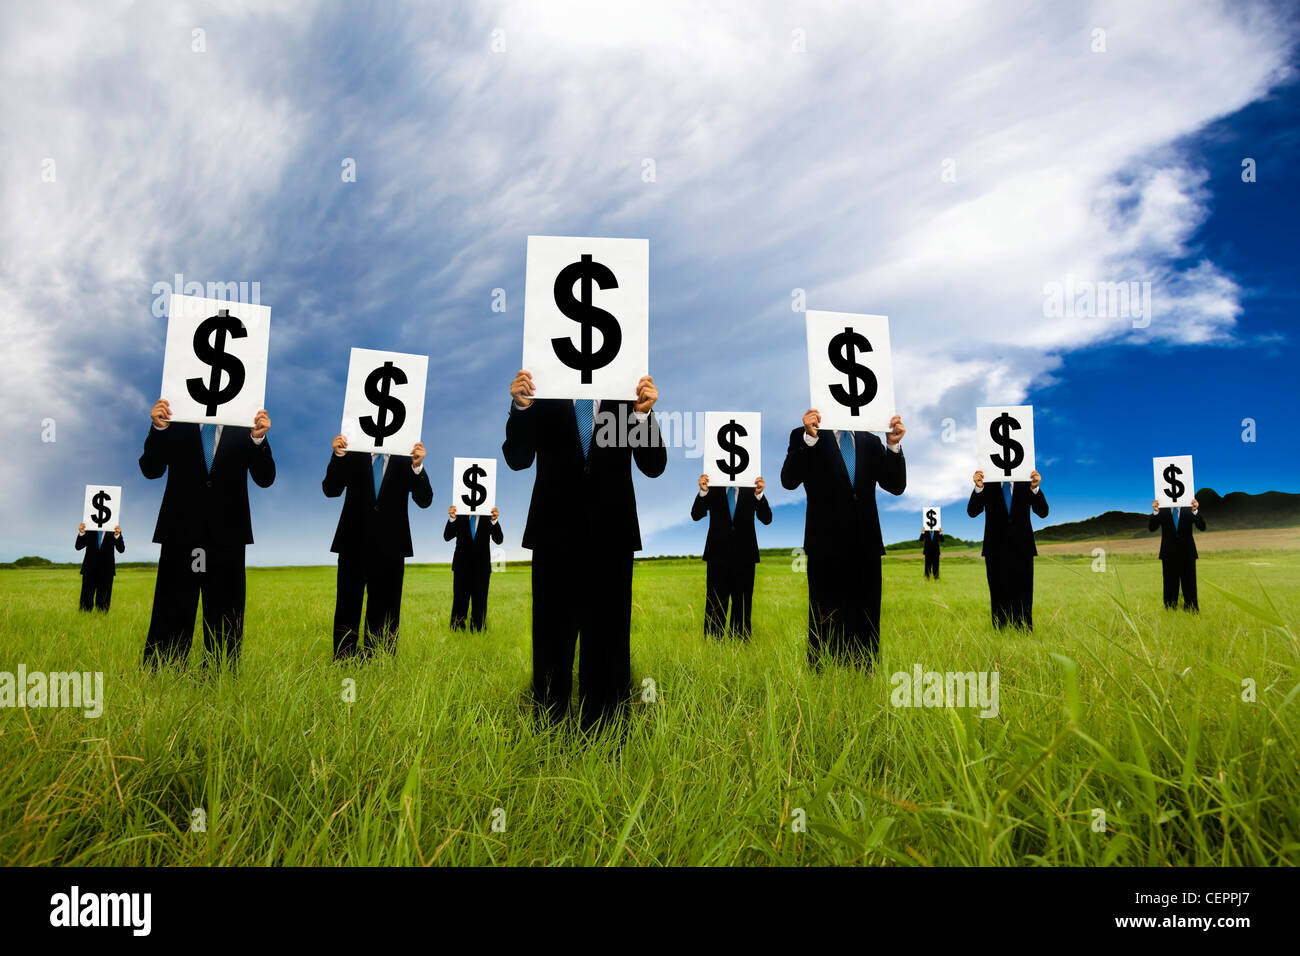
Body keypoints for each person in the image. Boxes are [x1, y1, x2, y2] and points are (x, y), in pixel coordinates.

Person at [503, 369, 666, 732]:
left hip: (612, 537)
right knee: (550, 639)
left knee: (608, 638)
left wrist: (643, 415)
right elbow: (517, 458)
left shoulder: (626, 398)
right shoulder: (543, 395)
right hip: (553, 535)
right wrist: (522, 407)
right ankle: (547, 728)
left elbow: (653, 466)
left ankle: (605, 730)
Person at [139, 398, 275, 668]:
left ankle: (220, 675)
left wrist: (258, 440)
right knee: (172, 608)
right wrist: (159, 429)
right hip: (180, 533)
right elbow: (150, 470)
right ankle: (163, 673)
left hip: (228, 535)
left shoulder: (244, 427)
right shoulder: (175, 422)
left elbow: (265, 478)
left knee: (226, 612)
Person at [780, 408, 906, 668]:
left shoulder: (870, 441)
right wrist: (808, 440)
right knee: (825, 616)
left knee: (867, 617)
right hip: (824, 546)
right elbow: (789, 480)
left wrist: (893, 446)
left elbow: (895, 485)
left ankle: (865, 676)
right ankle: (823, 677)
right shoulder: (805, 436)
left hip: (866, 546)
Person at [323, 435, 432, 659]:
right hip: (352, 543)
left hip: (391, 547)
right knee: (347, 606)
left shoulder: (406, 459)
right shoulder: (353, 453)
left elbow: (425, 500)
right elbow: (331, 489)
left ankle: (379, 662)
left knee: (386, 609)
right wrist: (339, 455)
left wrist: (418, 466)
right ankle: (344, 661)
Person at [691, 474, 772, 639]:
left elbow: (767, 518)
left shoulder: (752, 489)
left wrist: (759, 495)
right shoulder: (713, 489)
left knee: (742, 607)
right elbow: (696, 514)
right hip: (717, 558)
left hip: (745, 558)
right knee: (714, 607)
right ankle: (713, 648)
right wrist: (703, 492)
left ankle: (740, 648)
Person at [967, 468, 1048, 630]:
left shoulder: (1026, 483)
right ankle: (1001, 631)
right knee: (998, 592)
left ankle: (1024, 630)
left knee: (1024, 593)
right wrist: (979, 488)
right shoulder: (987, 484)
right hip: (995, 549)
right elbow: (972, 511)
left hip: (1022, 548)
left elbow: (1043, 512)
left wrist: (1035, 488)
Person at [444, 505, 503, 631]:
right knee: (459, 601)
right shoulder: (459, 516)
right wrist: (452, 519)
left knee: (480, 601)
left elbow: (499, 539)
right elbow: (447, 536)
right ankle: (457, 629)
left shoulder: (488, 517)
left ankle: (478, 629)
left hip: (481, 568)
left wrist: (494, 521)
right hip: (461, 567)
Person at [1149, 497, 1205, 611]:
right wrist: (1155, 511)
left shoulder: (1188, 508)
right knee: (1169, 584)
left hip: (1187, 553)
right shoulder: (1162, 509)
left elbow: (1202, 526)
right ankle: (1170, 609)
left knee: (1190, 584)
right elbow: (1152, 528)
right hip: (1168, 554)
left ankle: (1192, 610)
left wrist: (1195, 511)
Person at [75, 522, 124, 611]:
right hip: (89, 570)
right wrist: (82, 533)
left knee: (104, 602)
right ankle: (84, 618)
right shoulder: (89, 529)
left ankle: (102, 619)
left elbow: (121, 549)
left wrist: (117, 535)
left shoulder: (113, 530)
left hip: (107, 571)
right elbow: (78, 546)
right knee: (86, 599)